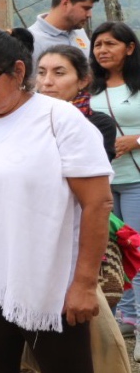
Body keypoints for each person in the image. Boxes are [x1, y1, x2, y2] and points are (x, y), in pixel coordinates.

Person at [0, 28, 112, 372]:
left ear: (18, 72)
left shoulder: (59, 121)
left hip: (47, 285)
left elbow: (98, 204)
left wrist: (84, 284)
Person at [36, 44, 131, 372]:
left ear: (83, 81)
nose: (47, 81)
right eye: (42, 72)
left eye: (59, 73)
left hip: (78, 240)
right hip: (34, 240)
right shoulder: (24, 122)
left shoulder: (96, 125)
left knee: (91, 333)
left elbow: (91, 194)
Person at [87, 22, 140, 335]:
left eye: (110, 44)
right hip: (101, 183)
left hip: (136, 179)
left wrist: (136, 140)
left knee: (138, 250)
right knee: (113, 254)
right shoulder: (89, 85)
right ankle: (126, 318)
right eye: (98, 45)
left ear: (129, 48)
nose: (103, 50)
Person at [27, 0, 100, 67]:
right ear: (65, 3)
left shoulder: (79, 32)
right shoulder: (31, 40)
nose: (89, 15)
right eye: (86, 8)